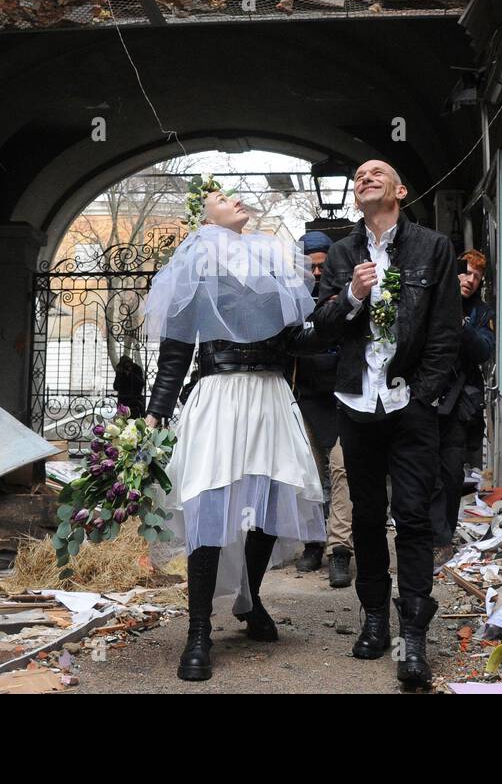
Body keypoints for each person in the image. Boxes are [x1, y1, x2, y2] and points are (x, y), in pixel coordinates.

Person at [143, 177, 327, 682]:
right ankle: (198, 629)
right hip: (218, 395)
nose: (236, 200)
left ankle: (249, 599)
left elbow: (298, 338)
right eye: (223, 199)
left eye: (234, 196)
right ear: (205, 219)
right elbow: (176, 351)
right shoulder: (193, 264)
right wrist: (155, 413)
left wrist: (350, 304)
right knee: (209, 502)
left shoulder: (274, 257)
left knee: (267, 503)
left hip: (269, 393)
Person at [310, 160, 461, 689]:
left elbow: (445, 332)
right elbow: (319, 326)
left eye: (377, 171)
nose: (364, 176)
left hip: (408, 405)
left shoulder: (432, 248)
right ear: (357, 199)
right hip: (356, 402)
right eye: (358, 176)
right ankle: (375, 619)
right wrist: (351, 295)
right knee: (368, 517)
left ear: (399, 190)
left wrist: (422, 397)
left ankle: (413, 636)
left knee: (415, 516)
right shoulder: (345, 254)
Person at [292, 230, 353, 588]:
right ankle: (313, 541)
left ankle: (340, 550)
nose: (316, 273)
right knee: (310, 475)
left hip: (344, 396)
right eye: (310, 266)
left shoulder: (347, 295)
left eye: (322, 265)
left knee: (341, 469)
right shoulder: (290, 300)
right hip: (306, 397)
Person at [431, 249, 495, 567]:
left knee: (451, 472)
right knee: (423, 471)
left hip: (457, 406)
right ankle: (423, 536)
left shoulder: (480, 312)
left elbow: (484, 349)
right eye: (466, 272)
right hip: (423, 398)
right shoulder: (431, 298)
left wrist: (461, 324)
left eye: (477, 277)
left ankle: (442, 540)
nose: (470, 281)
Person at [112, 354, 145, 419]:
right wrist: (120, 375)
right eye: (125, 365)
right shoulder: (120, 371)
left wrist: (131, 374)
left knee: (135, 422)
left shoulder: (137, 369)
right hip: (123, 401)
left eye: (129, 365)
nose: (127, 367)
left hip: (135, 402)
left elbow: (141, 384)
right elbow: (115, 386)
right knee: (122, 423)